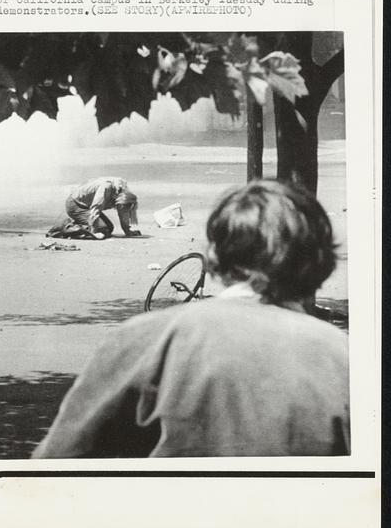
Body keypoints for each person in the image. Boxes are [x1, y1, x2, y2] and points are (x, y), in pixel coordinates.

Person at [33, 179, 349, 458]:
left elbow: (57, 467)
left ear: (212, 258)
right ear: (323, 265)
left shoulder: (142, 339)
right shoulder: (348, 360)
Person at [47, 177, 141, 240]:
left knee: (109, 228)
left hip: (86, 206)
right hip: (75, 205)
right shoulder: (106, 188)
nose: (118, 208)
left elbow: (123, 212)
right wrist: (94, 231)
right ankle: (66, 226)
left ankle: (80, 223)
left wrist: (127, 231)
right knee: (102, 228)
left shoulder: (123, 193)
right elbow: (96, 208)